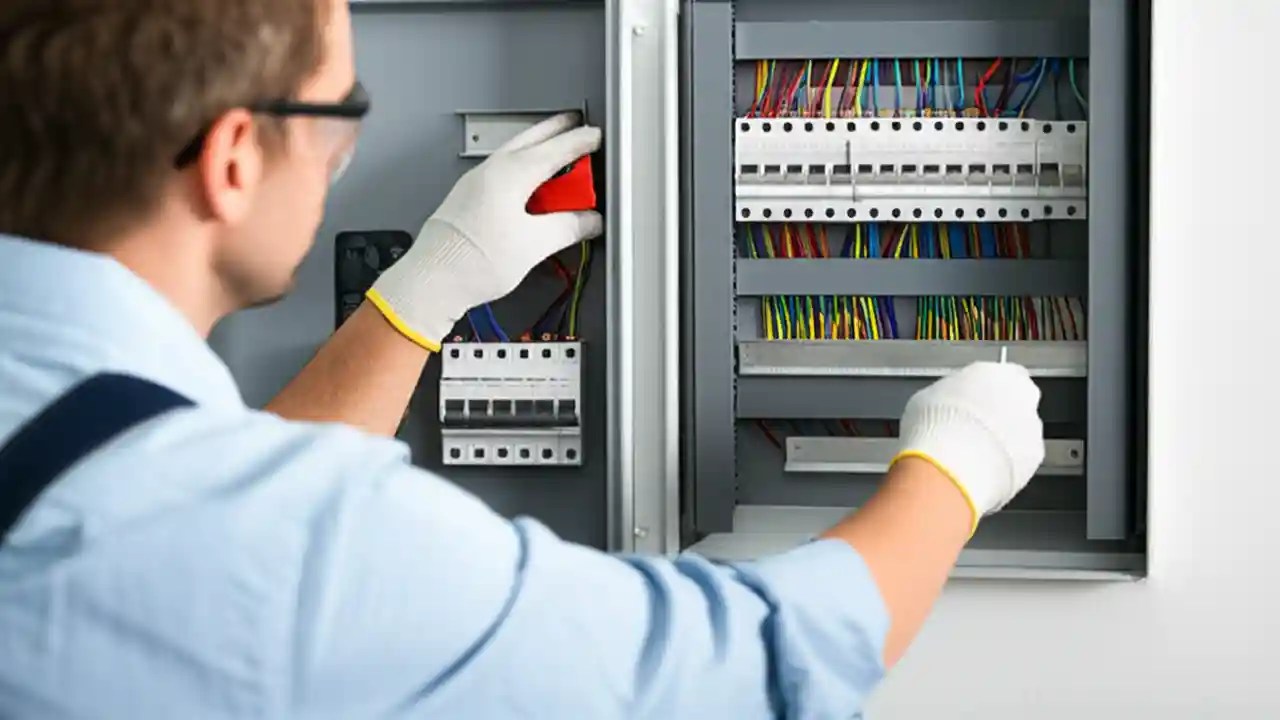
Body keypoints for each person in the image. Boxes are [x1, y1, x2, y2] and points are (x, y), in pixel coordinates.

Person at [0, 1, 1044, 717]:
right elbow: (756, 671)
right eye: (340, 118)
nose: (338, 156)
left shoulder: (172, 504)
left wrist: (421, 295)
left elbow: (195, 507)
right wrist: (956, 466)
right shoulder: (278, 554)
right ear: (232, 161)